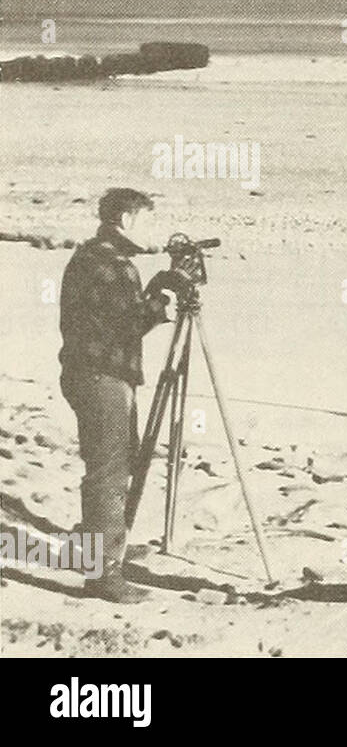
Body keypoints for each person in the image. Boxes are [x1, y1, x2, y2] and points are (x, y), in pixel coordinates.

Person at [59, 188, 191, 603]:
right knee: (109, 472)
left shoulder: (93, 257)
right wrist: (162, 301)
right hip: (102, 378)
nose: (152, 230)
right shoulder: (114, 266)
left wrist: (158, 291)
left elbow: (118, 314)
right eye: (146, 220)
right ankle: (103, 572)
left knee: (114, 463)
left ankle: (104, 545)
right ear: (125, 221)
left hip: (93, 374)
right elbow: (129, 321)